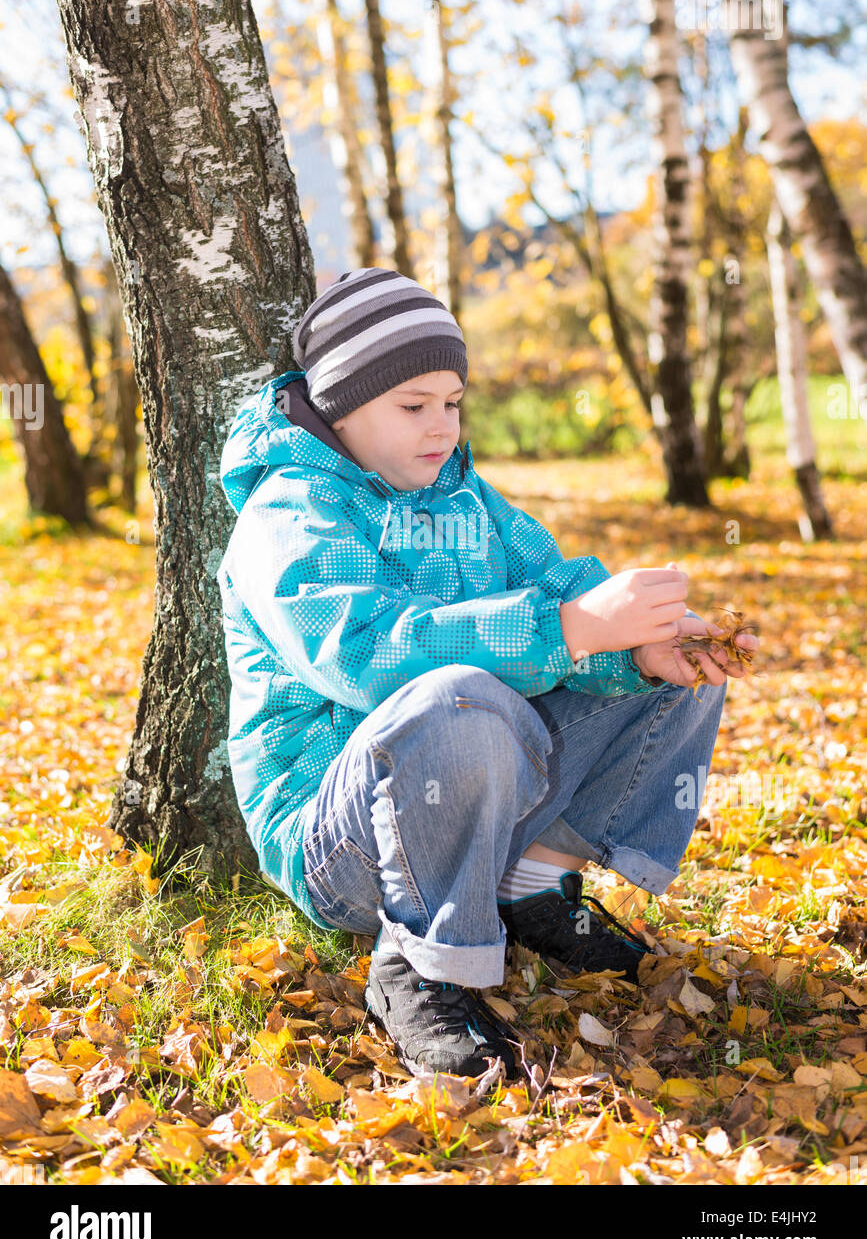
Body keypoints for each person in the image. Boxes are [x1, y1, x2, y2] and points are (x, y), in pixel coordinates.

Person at [217, 267, 759, 1080]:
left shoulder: (466, 498)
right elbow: (364, 655)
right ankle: (416, 964)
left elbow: (558, 589)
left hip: (474, 800)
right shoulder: (291, 511)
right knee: (454, 697)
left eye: (452, 402)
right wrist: (570, 628)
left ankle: (529, 886)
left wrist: (630, 646)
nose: (441, 426)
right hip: (342, 840)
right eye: (413, 406)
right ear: (339, 406)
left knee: (664, 671)